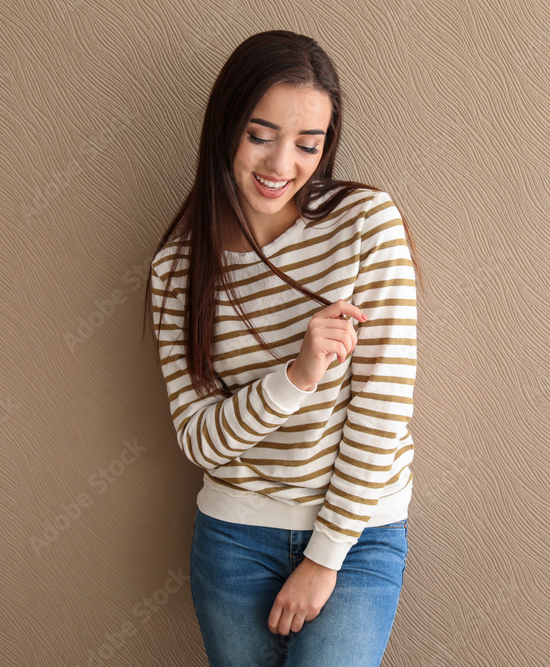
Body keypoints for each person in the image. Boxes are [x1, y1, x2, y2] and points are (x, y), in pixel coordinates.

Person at [142, 30, 425, 667]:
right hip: (234, 538)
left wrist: (324, 558)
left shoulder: (366, 224)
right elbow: (198, 440)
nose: (280, 166)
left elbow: (382, 412)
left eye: (307, 144)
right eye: (260, 135)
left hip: (358, 538)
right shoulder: (176, 271)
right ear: (224, 126)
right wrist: (294, 377)